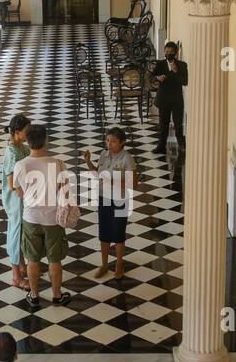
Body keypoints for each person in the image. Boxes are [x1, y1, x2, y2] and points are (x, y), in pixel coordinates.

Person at [12, 123, 73, 309]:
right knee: (55, 259)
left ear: (28, 142)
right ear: (46, 140)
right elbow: (64, 190)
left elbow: (19, 191)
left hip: (30, 217)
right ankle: (56, 295)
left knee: (32, 259)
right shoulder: (57, 163)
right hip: (52, 219)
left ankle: (35, 295)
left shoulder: (21, 165)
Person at [83, 126, 138, 281]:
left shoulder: (126, 158)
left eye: (113, 141)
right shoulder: (103, 155)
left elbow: (133, 183)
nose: (109, 144)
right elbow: (97, 175)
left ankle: (119, 264)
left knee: (118, 233)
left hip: (120, 199)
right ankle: (104, 264)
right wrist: (88, 161)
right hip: (103, 198)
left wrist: (112, 181)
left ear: (122, 142)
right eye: (107, 140)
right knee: (105, 232)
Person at [0, 113, 31, 290]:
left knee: (20, 231)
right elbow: (12, 184)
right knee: (16, 232)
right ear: (18, 132)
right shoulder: (12, 151)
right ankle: (16, 276)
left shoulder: (20, 147)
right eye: (27, 131)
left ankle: (21, 266)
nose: (29, 134)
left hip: (21, 198)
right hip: (15, 199)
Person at [151, 41, 188, 154]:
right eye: (167, 52)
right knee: (163, 125)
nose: (169, 54)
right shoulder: (160, 64)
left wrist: (176, 71)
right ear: (164, 52)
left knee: (178, 124)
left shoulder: (182, 65)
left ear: (176, 53)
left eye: (171, 52)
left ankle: (181, 144)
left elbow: (185, 81)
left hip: (176, 99)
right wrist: (157, 78)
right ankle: (161, 146)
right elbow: (151, 78)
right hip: (163, 99)